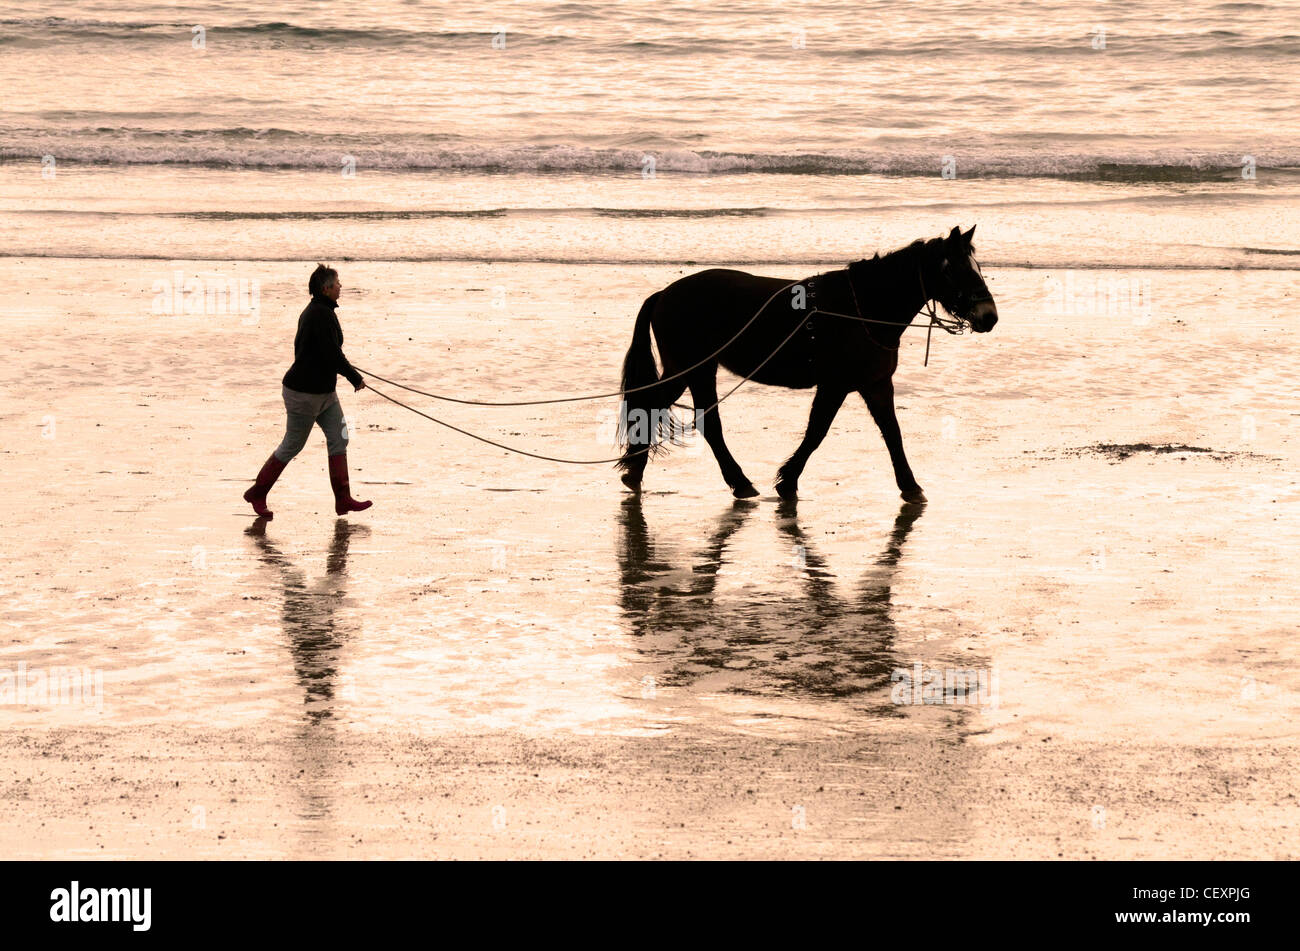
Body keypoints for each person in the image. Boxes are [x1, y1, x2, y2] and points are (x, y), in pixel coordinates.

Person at [243, 264, 373, 518]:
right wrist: (354, 377)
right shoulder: (318, 314)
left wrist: (345, 371)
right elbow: (332, 354)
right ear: (325, 289)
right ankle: (258, 492)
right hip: (303, 393)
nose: (340, 287)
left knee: (339, 437)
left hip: (324, 393)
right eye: (337, 283)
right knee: (293, 445)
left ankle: (343, 499)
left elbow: (328, 352)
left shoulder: (321, 311)